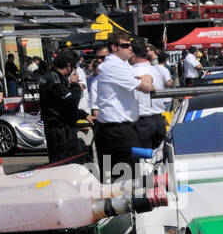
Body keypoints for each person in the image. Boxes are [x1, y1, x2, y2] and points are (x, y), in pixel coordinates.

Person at [94, 34, 154, 181]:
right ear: (114, 48)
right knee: (131, 177)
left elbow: (146, 78)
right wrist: (147, 80)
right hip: (118, 130)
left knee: (117, 178)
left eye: (130, 45)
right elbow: (146, 87)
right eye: (126, 45)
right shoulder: (115, 66)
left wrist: (147, 78)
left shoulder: (121, 64)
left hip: (116, 129)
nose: (130, 48)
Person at [39, 53, 87, 165]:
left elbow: (62, 105)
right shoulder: (54, 80)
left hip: (60, 128)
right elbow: (71, 102)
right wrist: (75, 85)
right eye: (74, 67)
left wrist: (84, 115)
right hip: (59, 130)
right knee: (63, 163)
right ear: (68, 66)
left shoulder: (55, 78)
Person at [131, 39, 168, 149]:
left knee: (143, 159)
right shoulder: (157, 70)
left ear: (132, 53)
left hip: (142, 121)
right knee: (160, 156)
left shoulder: (131, 72)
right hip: (159, 119)